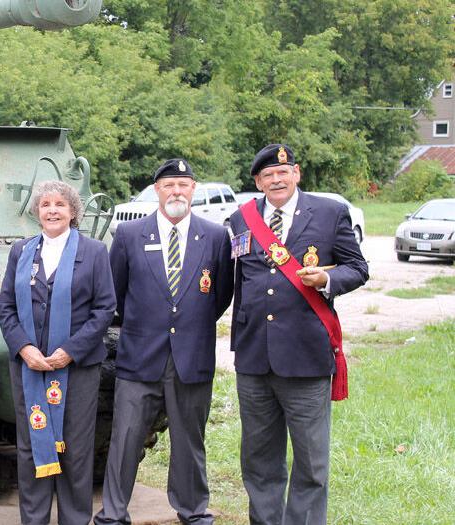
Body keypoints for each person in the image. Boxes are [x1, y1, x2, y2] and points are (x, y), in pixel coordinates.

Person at [228, 144, 368, 525]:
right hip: (254, 357)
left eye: (283, 172)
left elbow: (357, 268)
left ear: (297, 174)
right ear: (258, 182)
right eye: (268, 175)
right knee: (258, 459)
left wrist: (327, 279)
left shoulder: (329, 213)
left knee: (310, 462)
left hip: (306, 357)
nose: (276, 179)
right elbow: (236, 281)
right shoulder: (241, 219)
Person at [95, 159, 233, 525]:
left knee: (190, 440)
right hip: (139, 356)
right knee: (124, 439)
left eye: (183, 185)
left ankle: (192, 510)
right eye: (169, 185)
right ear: (156, 189)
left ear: (194, 189)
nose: (176, 191)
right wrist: (145, 325)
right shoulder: (128, 236)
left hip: (192, 357)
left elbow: (219, 297)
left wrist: (187, 325)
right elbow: (116, 295)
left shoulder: (216, 237)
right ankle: (113, 512)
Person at [0, 180, 116, 525]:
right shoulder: (21, 251)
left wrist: (71, 351)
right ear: (36, 212)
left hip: (76, 370)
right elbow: (5, 306)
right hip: (30, 367)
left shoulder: (93, 252)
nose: (52, 210)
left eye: (60, 205)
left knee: (76, 451)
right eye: (45, 204)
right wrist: (24, 347)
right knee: (32, 445)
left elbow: (105, 308)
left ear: (73, 212)